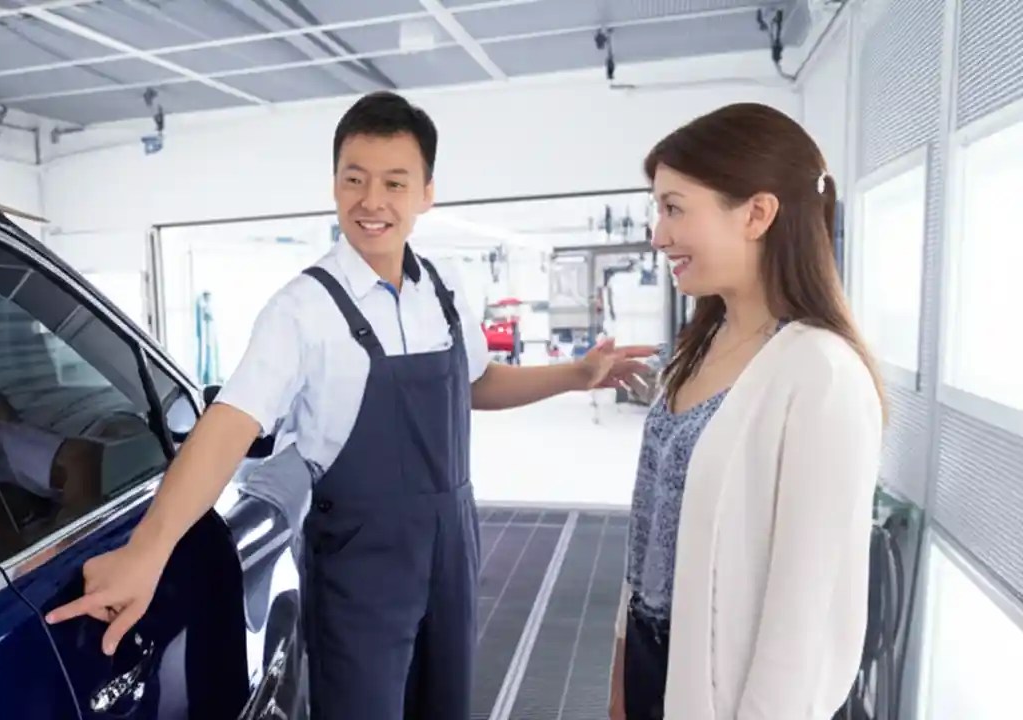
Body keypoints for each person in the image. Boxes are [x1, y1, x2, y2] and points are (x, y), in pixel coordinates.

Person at [46, 90, 654, 720]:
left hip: (451, 549)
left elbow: (476, 383)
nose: (372, 201)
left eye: (395, 182)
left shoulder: (441, 289)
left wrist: (577, 375)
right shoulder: (300, 310)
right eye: (354, 179)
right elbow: (229, 425)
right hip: (359, 564)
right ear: (335, 184)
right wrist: (150, 550)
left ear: (426, 194)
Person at [608, 102, 885, 720]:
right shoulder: (699, 345)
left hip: (728, 693)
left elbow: (803, 613)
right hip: (655, 664)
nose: (658, 234)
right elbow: (649, 530)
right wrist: (624, 673)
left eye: (675, 207)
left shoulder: (821, 373)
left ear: (757, 213)